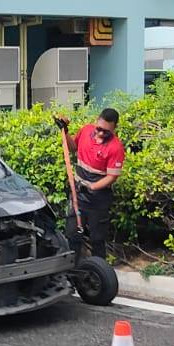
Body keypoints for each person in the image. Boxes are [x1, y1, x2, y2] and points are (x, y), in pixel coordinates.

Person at [55, 107, 125, 262]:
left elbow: (112, 176)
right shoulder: (86, 131)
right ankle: (72, 271)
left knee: (97, 240)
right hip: (77, 196)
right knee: (73, 236)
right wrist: (64, 131)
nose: (101, 134)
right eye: (99, 129)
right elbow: (73, 147)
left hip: (98, 200)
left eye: (106, 132)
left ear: (114, 129)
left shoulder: (115, 147)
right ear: (96, 121)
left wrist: (92, 187)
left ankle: (98, 272)